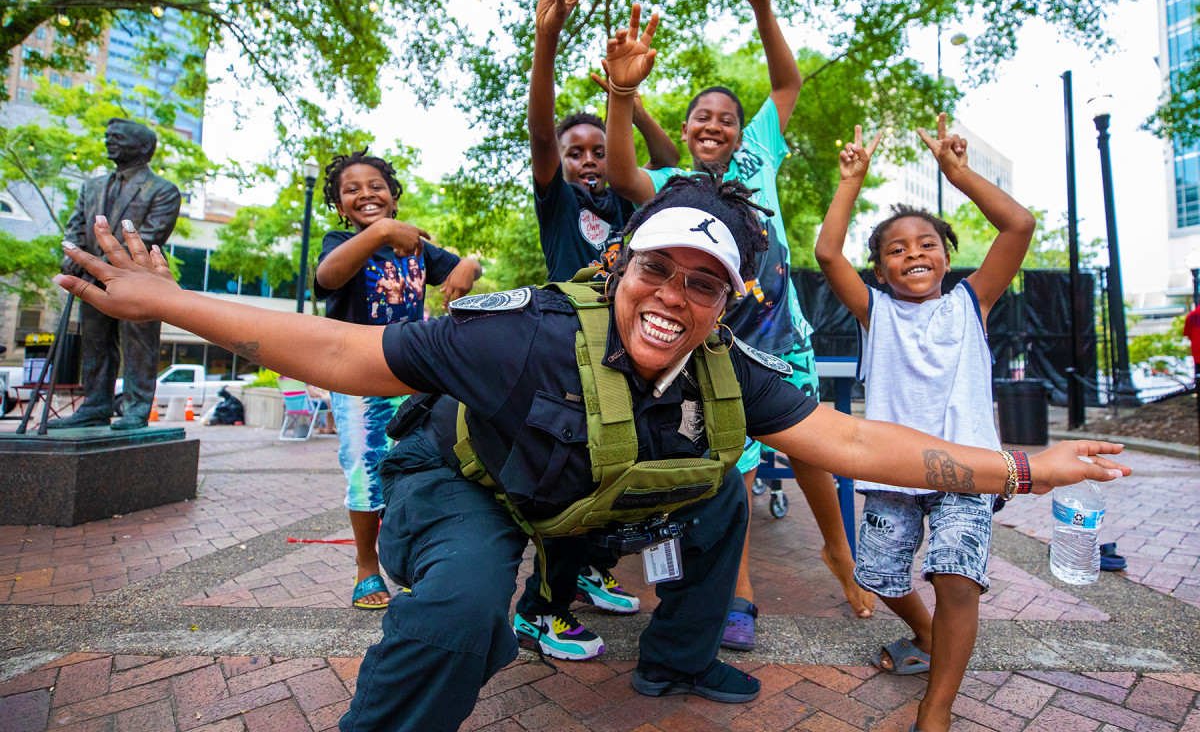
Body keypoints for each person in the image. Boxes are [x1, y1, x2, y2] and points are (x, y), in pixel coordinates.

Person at [55, 175, 1124, 732]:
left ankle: (677, 656)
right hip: (473, 486)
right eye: (659, 269)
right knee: (461, 618)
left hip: (597, 506)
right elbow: (342, 350)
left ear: (727, 299)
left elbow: (855, 439)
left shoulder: (729, 369)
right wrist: (168, 298)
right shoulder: (520, 330)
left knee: (715, 492)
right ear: (622, 265)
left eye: (703, 283)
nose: (675, 297)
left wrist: (1032, 468)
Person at [602, 0, 875, 652]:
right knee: (736, 467)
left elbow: (788, 83)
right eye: (703, 117)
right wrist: (623, 97)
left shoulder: (758, 154)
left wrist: (763, 6)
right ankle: (741, 593)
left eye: (726, 117)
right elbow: (621, 173)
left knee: (812, 449)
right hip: (718, 349)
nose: (716, 125)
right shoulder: (673, 184)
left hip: (786, 338)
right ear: (689, 131)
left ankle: (840, 554)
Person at [814, 117, 1037, 732]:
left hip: (967, 471)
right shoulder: (875, 313)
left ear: (946, 256)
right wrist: (850, 183)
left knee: (956, 575)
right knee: (879, 573)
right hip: (891, 471)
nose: (913, 252)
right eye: (896, 248)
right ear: (881, 270)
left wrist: (959, 174)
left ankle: (934, 709)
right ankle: (926, 633)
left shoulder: (972, 301)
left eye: (927, 243)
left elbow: (1018, 225)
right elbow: (828, 253)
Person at [513, 0, 683, 661]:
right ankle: (538, 610)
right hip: (569, 349)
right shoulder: (558, 205)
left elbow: (666, 162)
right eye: (573, 150)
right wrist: (548, 37)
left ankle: (589, 570)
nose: (585, 160)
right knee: (573, 472)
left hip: (628, 351)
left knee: (621, 470)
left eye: (594, 152)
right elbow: (539, 125)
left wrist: (630, 101)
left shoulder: (625, 201)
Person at [313, 149, 481, 610]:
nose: (366, 193)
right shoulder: (338, 242)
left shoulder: (418, 248)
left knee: (416, 466)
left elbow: (466, 269)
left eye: (375, 186)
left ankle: (410, 562)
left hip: (410, 375)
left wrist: (469, 262)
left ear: (393, 195)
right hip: (355, 379)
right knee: (365, 472)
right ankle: (367, 568)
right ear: (339, 205)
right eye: (352, 189)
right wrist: (383, 231)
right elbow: (327, 276)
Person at [49, 118, 182, 431]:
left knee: (139, 345)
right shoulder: (91, 186)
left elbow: (150, 235)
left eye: (117, 137)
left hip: (138, 283)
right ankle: (95, 404)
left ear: (143, 146)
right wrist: (72, 254)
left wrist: (97, 263)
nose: (109, 141)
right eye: (107, 135)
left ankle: (136, 409)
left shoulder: (163, 191)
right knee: (94, 343)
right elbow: (76, 224)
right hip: (92, 282)